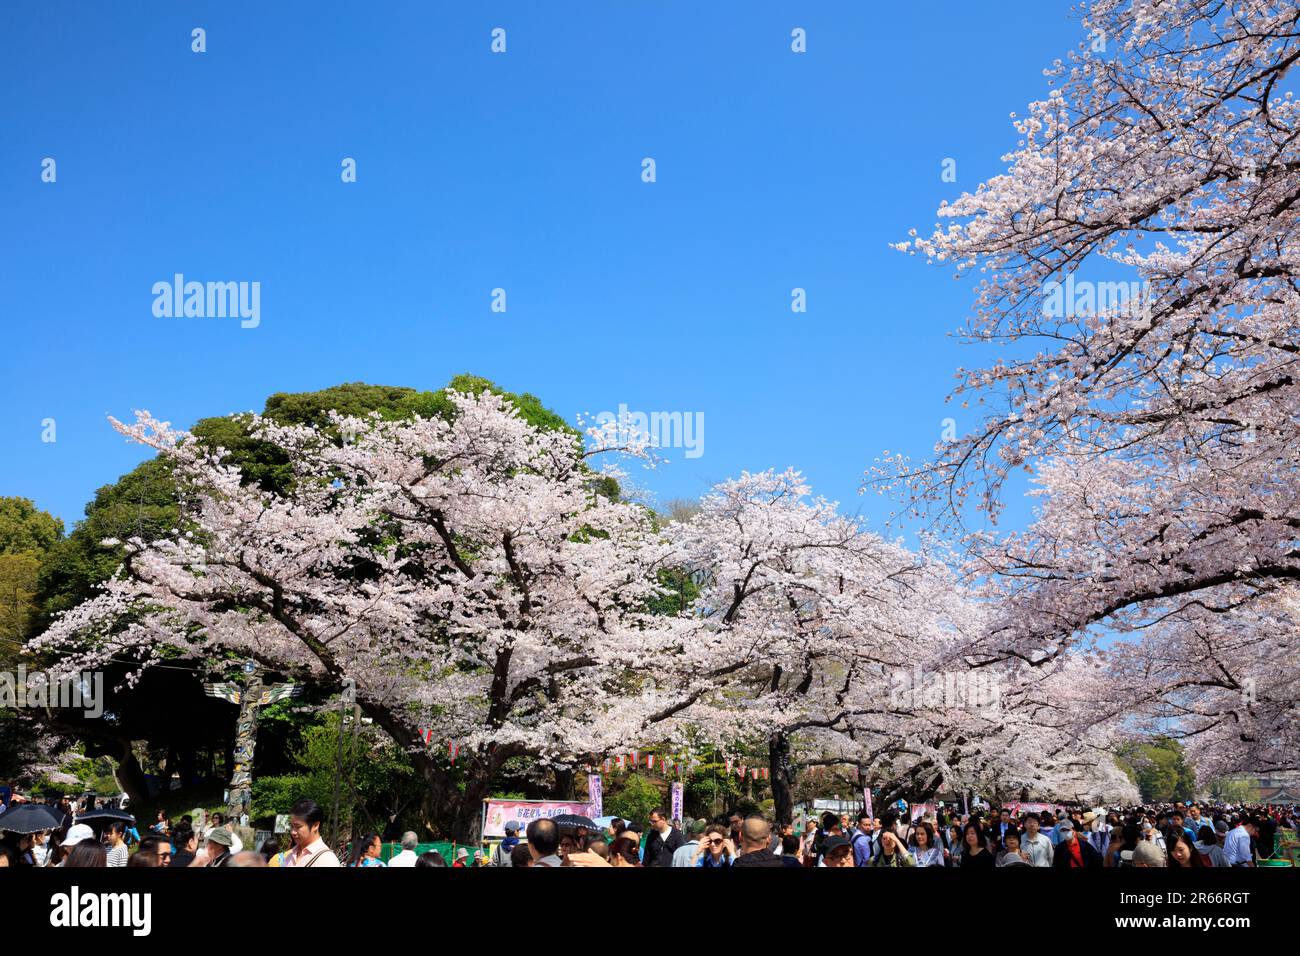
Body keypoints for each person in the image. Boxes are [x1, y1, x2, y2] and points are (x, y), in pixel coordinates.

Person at [283, 798, 341, 867]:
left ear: (315, 825)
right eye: (292, 826)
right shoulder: (290, 855)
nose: (293, 832)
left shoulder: (327, 860)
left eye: (298, 827)